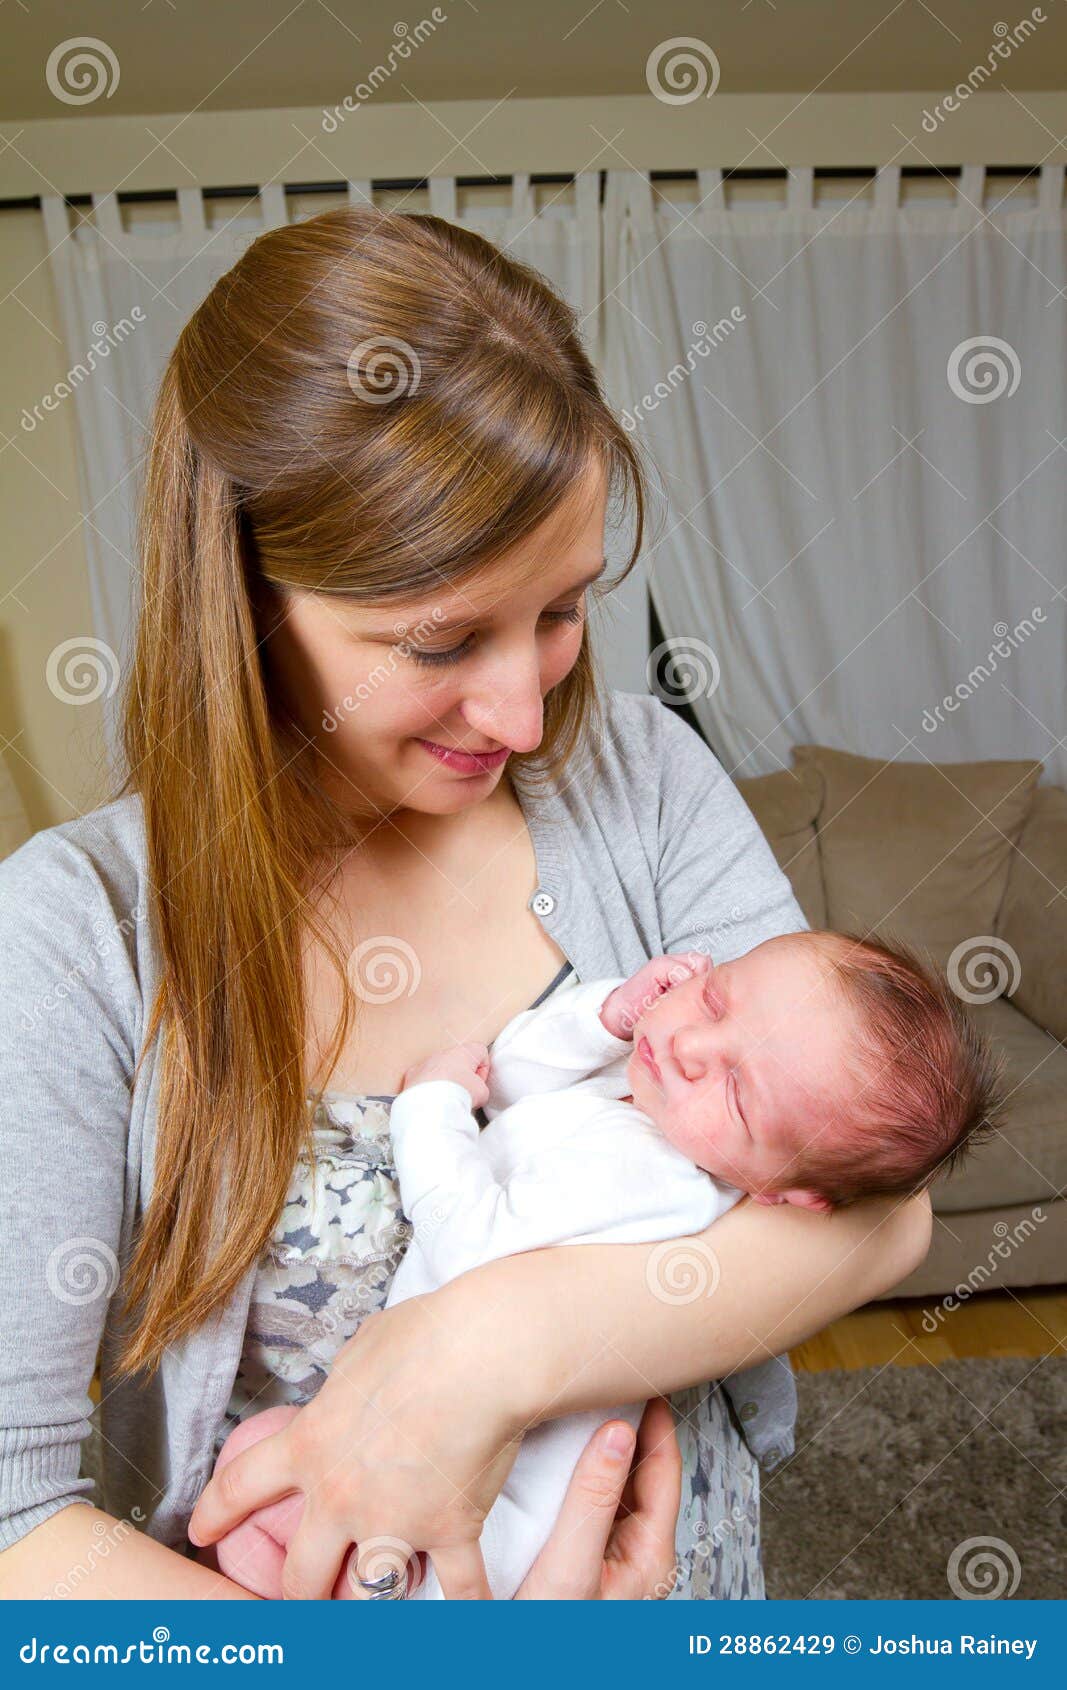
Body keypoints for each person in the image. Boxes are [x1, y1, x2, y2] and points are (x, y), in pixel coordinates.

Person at [0, 205, 931, 1602]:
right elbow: (17, 1524)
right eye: (438, 640)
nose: (520, 707)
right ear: (243, 597)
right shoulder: (76, 933)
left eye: (557, 610)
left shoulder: (640, 777)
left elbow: (876, 1207)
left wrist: (485, 1348)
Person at [205, 929, 995, 1600]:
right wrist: (606, 1018)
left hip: (506, 1512)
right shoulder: (652, 1101)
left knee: (287, 1495)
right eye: (716, 999)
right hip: (439, 1462)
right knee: (277, 1485)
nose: (688, 1045)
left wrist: (429, 1108)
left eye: (738, 1091)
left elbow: (468, 1241)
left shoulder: (658, 1184)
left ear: (789, 1195)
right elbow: (512, 1077)